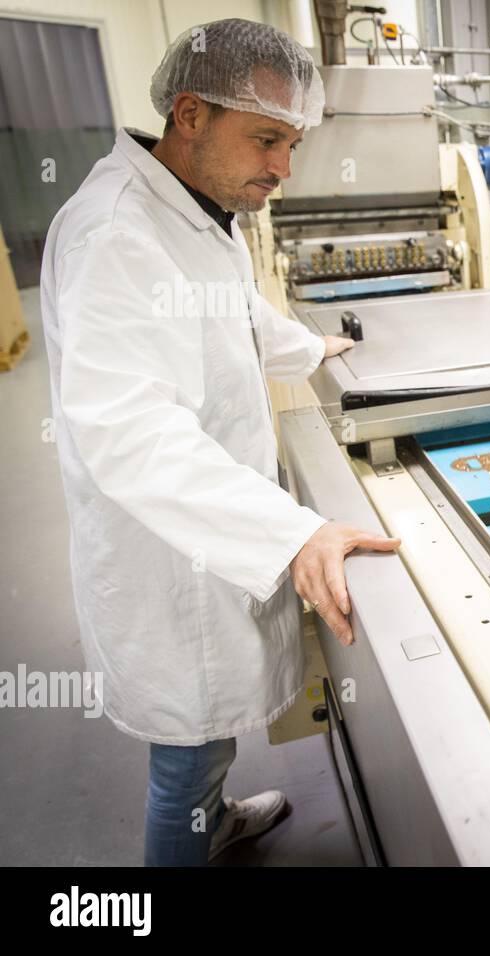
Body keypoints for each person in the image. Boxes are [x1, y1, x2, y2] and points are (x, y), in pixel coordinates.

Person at [39, 18, 400, 865]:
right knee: (185, 757)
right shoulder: (115, 234)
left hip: (208, 535)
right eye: (267, 140)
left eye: (293, 144)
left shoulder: (199, 209)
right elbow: (126, 432)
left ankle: (218, 816)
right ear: (191, 115)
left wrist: (311, 349)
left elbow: (229, 317)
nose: (282, 167)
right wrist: (293, 531)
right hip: (168, 558)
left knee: (203, 747)